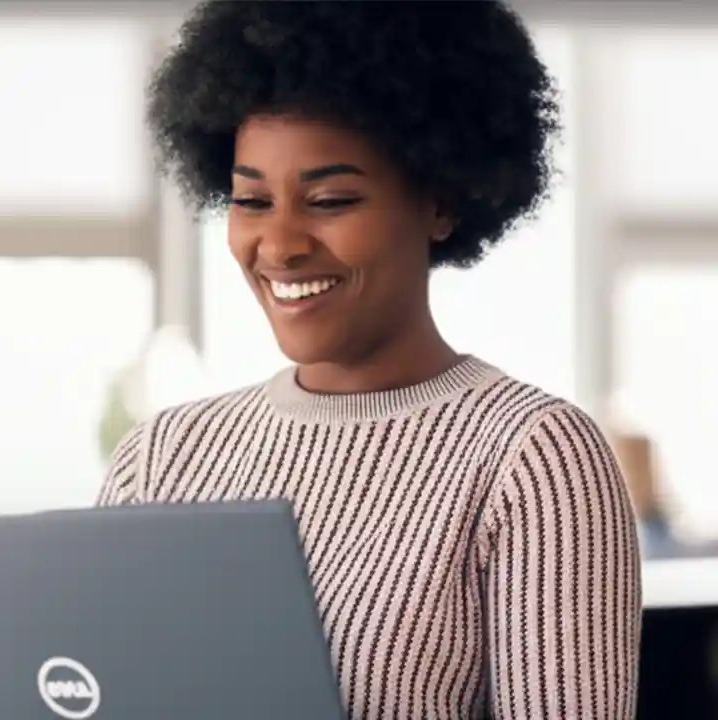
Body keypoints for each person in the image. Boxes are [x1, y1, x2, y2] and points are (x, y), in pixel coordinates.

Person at [96, 3, 641, 719]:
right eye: (252, 200)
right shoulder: (160, 460)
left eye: (330, 199)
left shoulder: (531, 459)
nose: (281, 243)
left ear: (440, 201)